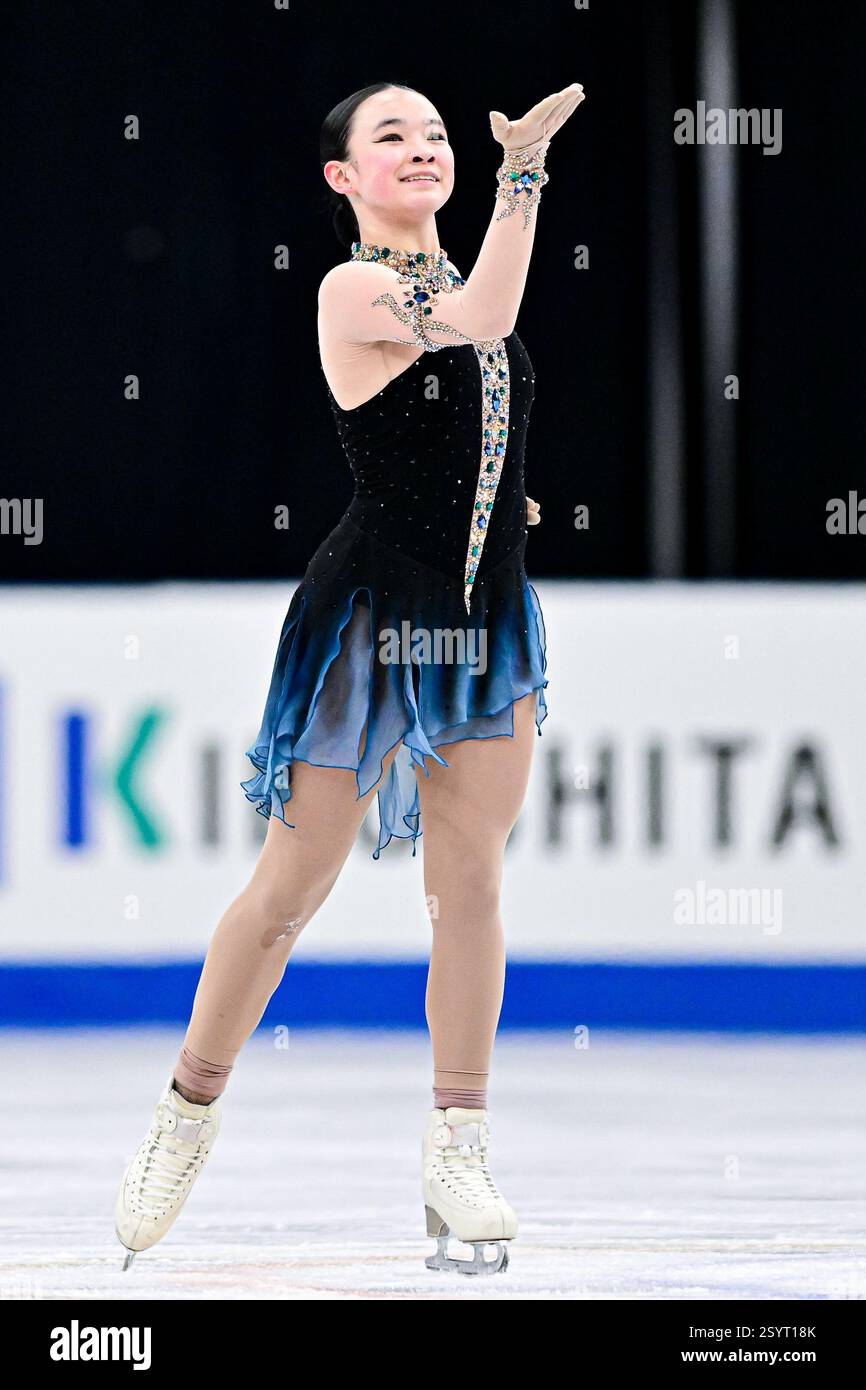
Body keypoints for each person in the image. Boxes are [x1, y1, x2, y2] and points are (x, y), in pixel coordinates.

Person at [114, 79, 585, 1277]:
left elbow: (468, 414)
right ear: (344, 179)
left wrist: (499, 507)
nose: (423, 149)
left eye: (437, 136)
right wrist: (523, 175)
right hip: (371, 618)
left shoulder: (458, 295)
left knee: (468, 881)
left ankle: (456, 1144)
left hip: (482, 619)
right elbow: (478, 319)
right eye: (394, 137)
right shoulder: (354, 287)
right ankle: (185, 1111)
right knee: (291, 885)